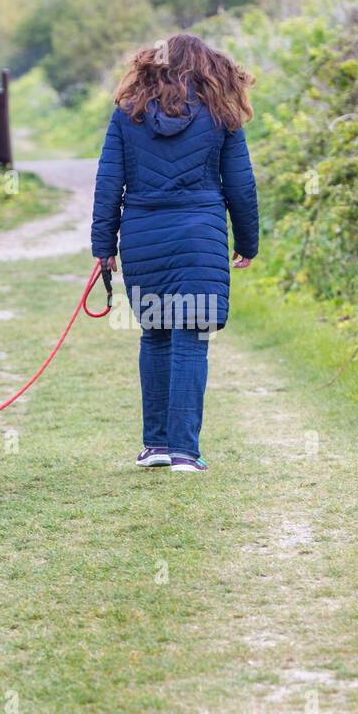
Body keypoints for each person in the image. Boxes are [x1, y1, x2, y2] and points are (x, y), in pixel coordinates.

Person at [91, 33, 259, 473]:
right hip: (200, 236)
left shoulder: (128, 114)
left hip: (143, 234)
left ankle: (156, 446)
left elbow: (109, 182)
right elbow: (241, 186)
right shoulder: (221, 113)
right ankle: (185, 452)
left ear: (153, 66)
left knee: (156, 333)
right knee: (191, 338)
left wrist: (103, 246)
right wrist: (247, 242)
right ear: (209, 68)